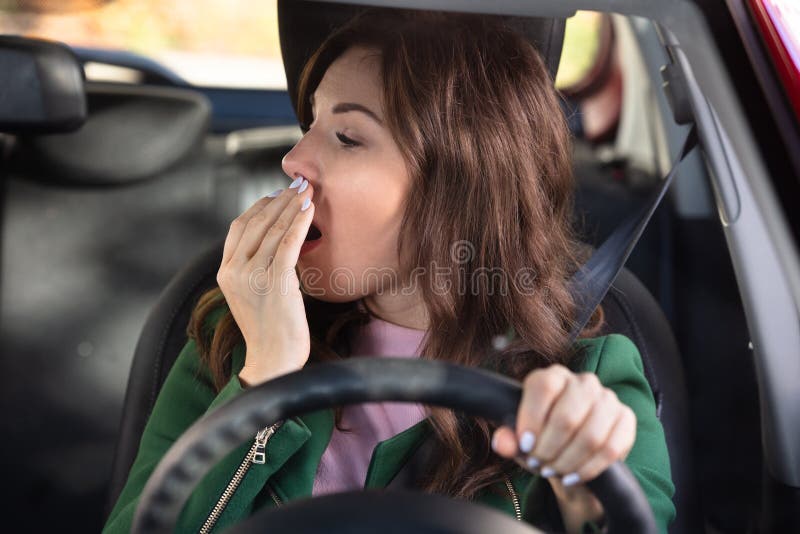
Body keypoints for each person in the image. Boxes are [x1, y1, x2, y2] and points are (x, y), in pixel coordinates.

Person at [103, 10, 675, 534]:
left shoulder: (585, 378)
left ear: (460, 189)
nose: (294, 159)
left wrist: (585, 488)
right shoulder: (231, 339)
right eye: (311, 123)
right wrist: (265, 378)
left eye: (347, 137)